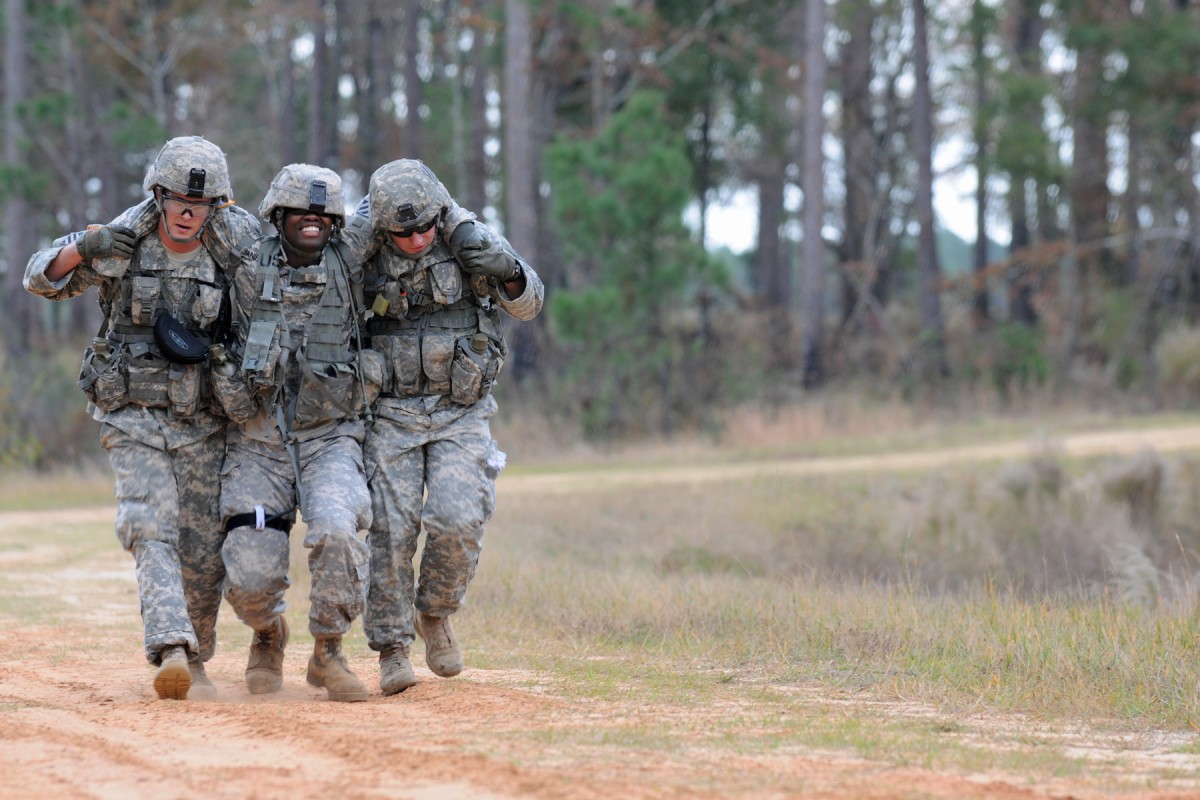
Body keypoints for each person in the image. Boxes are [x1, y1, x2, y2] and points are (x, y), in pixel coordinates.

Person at [23, 135, 259, 701]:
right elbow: (40, 277)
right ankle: (170, 647)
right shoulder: (124, 236)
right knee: (149, 525)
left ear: (216, 206)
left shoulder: (236, 243)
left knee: (203, 551)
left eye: (198, 204)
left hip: (204, 419)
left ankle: (195, 656)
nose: (185, 212)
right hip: (132, 415)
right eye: (176, 198)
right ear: (157, 193)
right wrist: (86, 243)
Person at [341, 159, 544, 695]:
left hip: (461, 409)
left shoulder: (465, 239)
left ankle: (434, 612)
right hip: (390, 411)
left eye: (425, 226)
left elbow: (529, 304)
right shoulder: (362, 251)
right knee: (390, 529)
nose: (417, 238)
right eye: (403, 231)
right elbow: (313, 299)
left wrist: (508, 270)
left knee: (458, 517)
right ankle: (391, 646)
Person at [209, 163, 381, 702]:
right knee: (249, 574)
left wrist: (464, 227)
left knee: (336, 531)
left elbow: (403, 194)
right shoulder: (243, 255)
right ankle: (267, 633)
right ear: (278, 216)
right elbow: (189, 203)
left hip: (330, 438)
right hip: (258, 442)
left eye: (324, 212)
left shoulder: (351, 259)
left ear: (335, 220)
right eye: (301, 212)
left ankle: (328, 650)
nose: (313, 220)